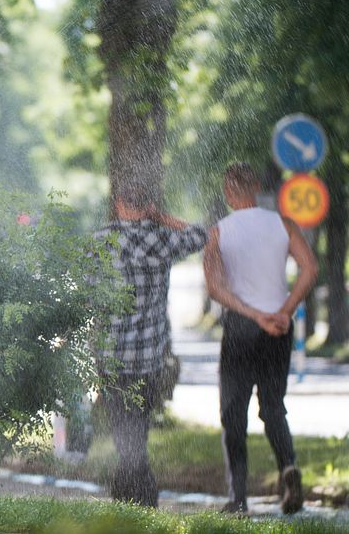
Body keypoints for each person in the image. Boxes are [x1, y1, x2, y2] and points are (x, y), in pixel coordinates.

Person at [203, 162, 316, 515]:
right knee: (272, 407)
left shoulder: (217, 232)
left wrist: (253, 315)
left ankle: (238, 498)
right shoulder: (283, 223)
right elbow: (310, 268)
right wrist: (284, 311)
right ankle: (288, 467)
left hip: (241, 327)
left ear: (228, 193)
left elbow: (216, 288)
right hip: (279, 329)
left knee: (233, 414)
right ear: (255, 188)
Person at [95, 182, 208, 507]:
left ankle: (131, 496)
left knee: (121, 430)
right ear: (148, 206)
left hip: (111, 356)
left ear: (117, 203)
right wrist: (162, 217)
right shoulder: (162, 239)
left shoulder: (101, 242)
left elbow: (84, 295)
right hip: (148, 357)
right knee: (138, 428)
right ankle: (139, 496)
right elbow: (202, 234)